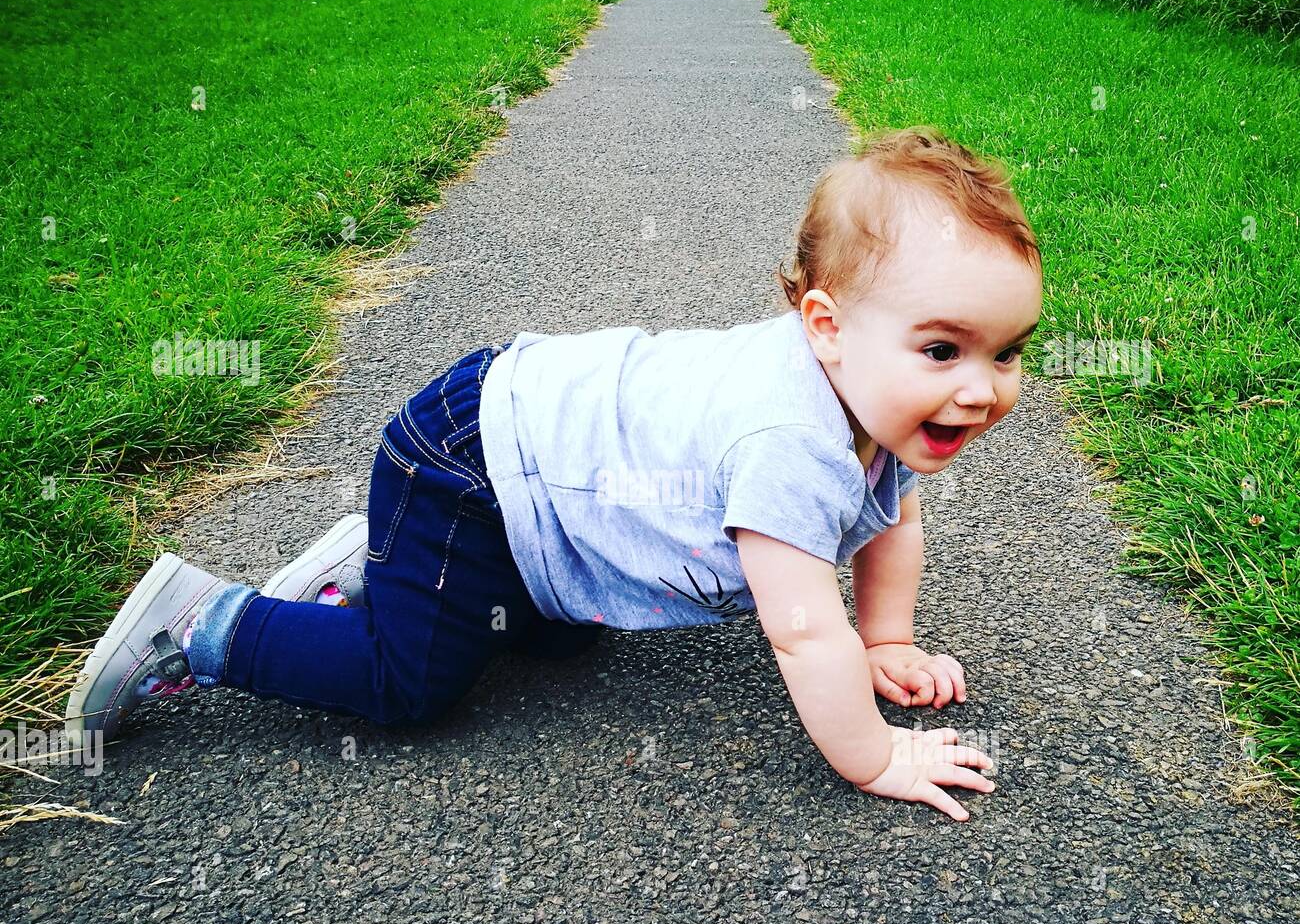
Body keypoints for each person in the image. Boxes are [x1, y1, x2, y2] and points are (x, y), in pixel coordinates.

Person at [66, 126, 1042, 821]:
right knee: (407, 685)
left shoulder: (877, 396)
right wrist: (873, 754)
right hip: (466, 467)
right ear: (825, 326)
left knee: (564, 637)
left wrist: (886, 637)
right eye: (943, 349)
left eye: (1005, 353)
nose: (980, 390)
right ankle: (208, 624)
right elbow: (801, 627)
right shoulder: (790, 438)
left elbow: (892, 520)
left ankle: (385, 567)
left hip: (528, 471)